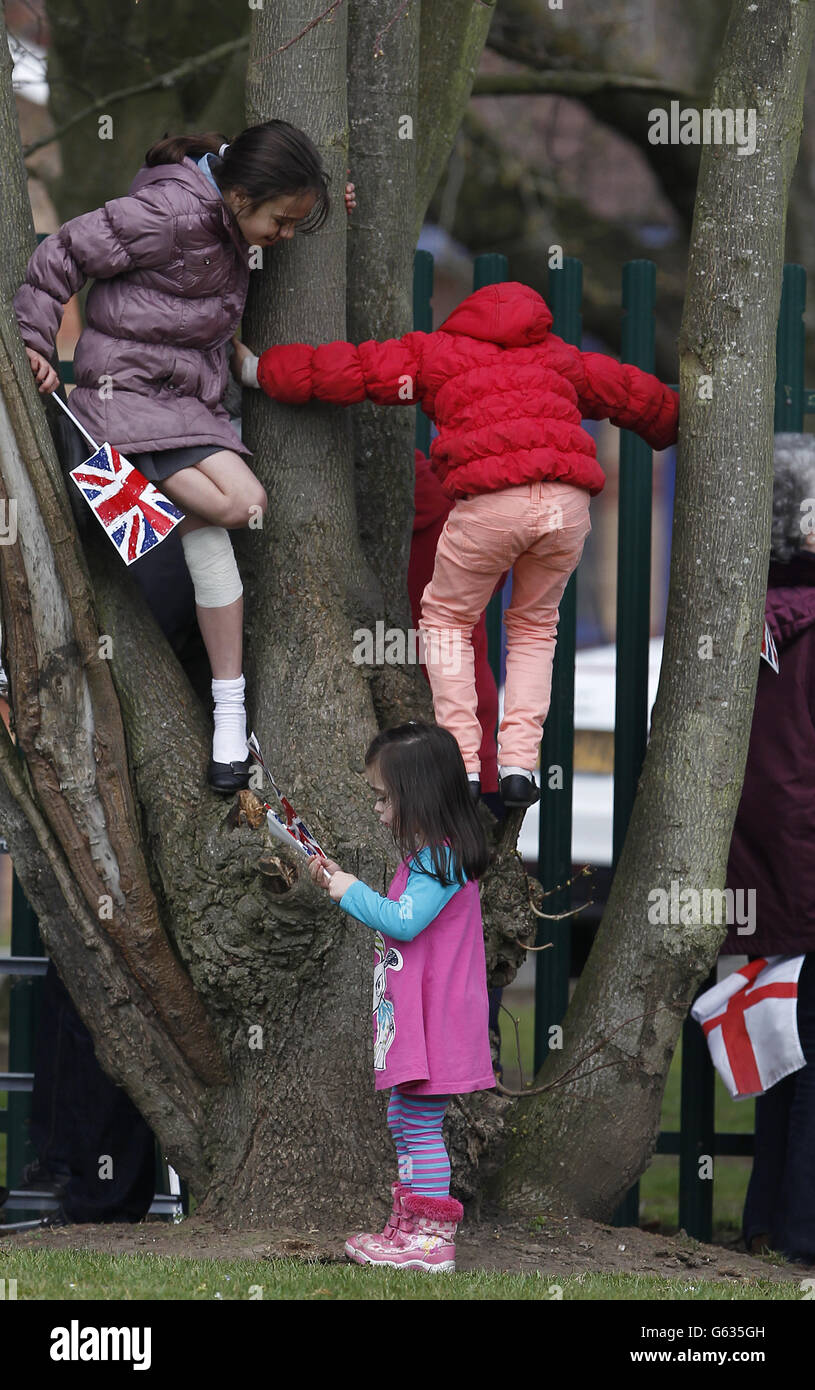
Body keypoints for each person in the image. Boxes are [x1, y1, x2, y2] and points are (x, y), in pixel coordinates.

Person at [231, 280, 679, 807]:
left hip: (491, 505)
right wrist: (677, 422)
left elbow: (350, 369)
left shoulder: (436, 352)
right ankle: (517, 766)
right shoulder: (561, 358)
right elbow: (634, 393)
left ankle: (464, 762)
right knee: (535, 629)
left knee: (446, 622)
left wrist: (259, 371)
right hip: (565, 505)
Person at [13, 122, 355, 792]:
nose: (284, 237)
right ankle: (102, 461)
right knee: (242, 502)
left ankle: (229, 722)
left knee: (211, 547)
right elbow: (62, 253)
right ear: (237, 196)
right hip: (127, 396)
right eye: (281, 221)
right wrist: (33, 338)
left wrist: (329, 208)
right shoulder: (168, 212)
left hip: (184, 407)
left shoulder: (228, 214)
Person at [308, 721, 494, 1271]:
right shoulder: (429, 860)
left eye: (385, 799)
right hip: (421, 1021)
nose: (379, 810)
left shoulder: (442, 862)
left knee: (418, 1124)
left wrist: (351, 893)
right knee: (404, 1119)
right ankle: (411, 1225)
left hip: (438, 1024)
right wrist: (347, 883)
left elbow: (404, 923)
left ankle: (431, 1240)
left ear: (419, 796)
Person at [722, 431, 815, 1267]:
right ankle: (799, 1231)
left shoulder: (739, 627)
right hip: (805, 873)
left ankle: (767, 1220)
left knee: (786, 1055)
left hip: (757, 878)